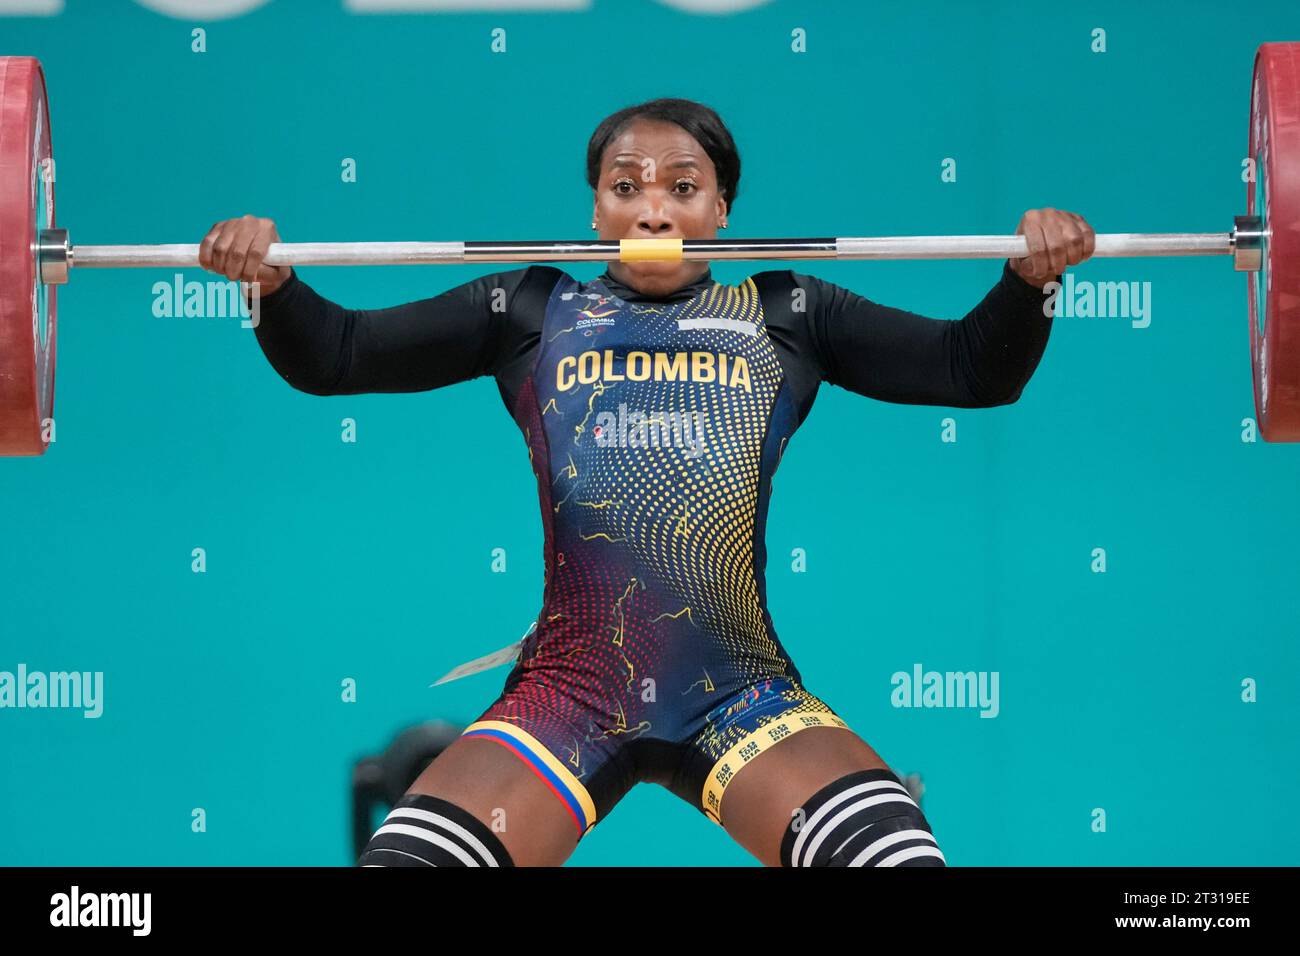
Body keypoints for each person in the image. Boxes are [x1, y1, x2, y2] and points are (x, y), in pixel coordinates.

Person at [199, 97, 1094, 867]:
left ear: (721, 208)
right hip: (569, 693)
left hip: (740, 692)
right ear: (596, 209)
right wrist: (271, 285)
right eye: (625, 185)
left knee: (894, 859)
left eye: (681, 185)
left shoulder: (788, 313)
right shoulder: (526, 310)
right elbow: (337, 356)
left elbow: (973, 372)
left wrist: (1029, 281)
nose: (653, 208)